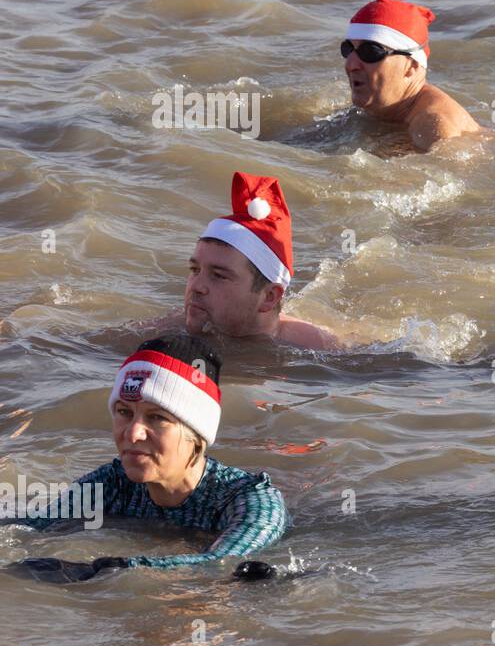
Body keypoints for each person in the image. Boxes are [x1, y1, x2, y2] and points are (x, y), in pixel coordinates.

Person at [6, 334, 288, 580]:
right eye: (124, 413)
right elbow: (32, 527)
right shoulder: (113, 485)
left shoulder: (250, 501)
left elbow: (220, 564)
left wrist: (102, 571)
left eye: (157, 417)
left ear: (197, 434)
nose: (133, 434)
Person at [151, 172, 339, 349]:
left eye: (218, 275)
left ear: (269, 297)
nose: (196, 287)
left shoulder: (318, 348)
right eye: (195, 270)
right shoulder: (161, 333)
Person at [342, 0, 481, 151]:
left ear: (411, 67)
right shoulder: (381, 105)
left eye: (370, 52)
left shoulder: (434, 130)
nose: (351, 64)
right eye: (348, 49)